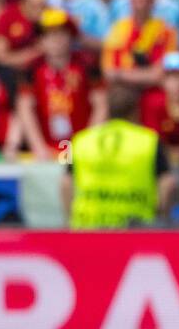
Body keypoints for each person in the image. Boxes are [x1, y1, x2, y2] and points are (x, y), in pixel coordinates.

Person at [64, 81, 169, 229]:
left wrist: (72, 218)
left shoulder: (78, 140)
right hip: (137, 227)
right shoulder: (150, 140)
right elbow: (167, 184)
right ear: (136, 110)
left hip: (87, 227)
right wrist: (160, 213)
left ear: (107, 109)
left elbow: (66, 183)